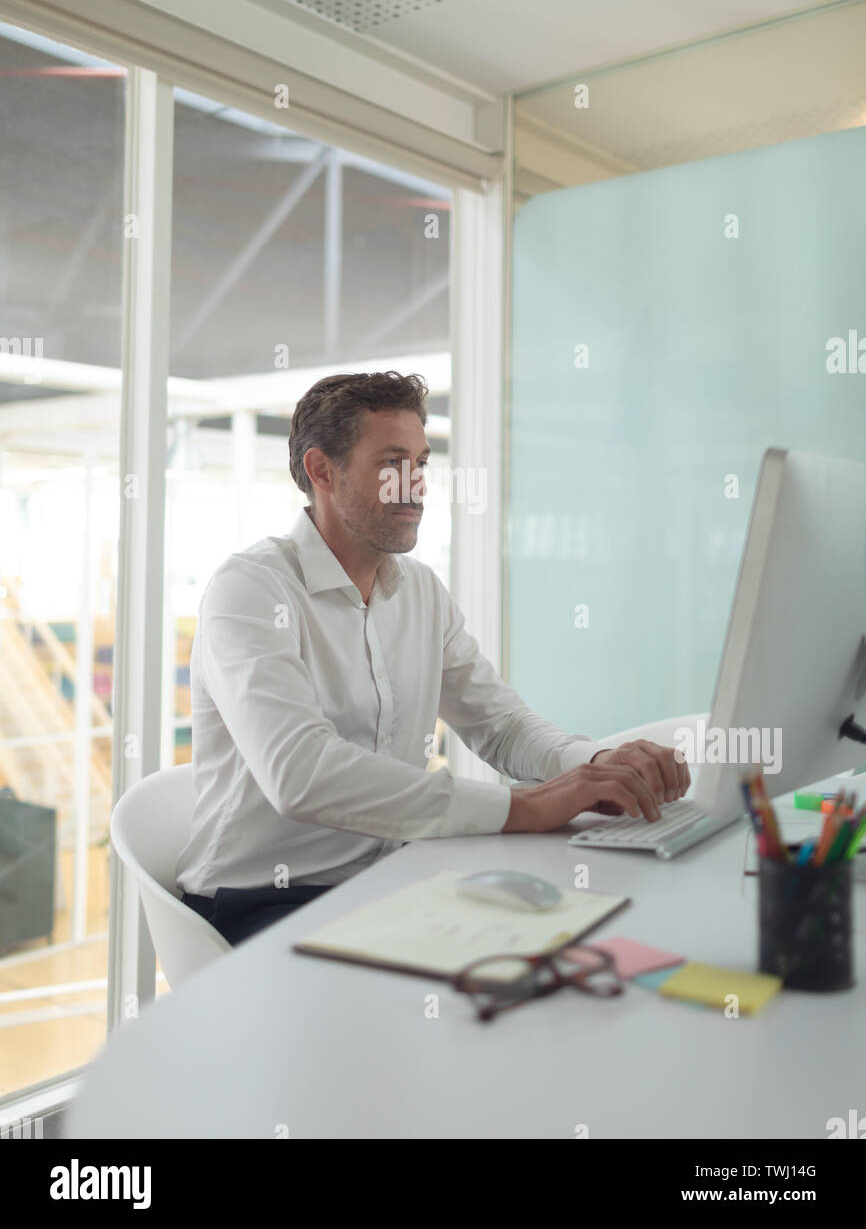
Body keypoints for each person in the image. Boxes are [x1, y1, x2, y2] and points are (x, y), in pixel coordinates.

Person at [177, 370, 688, 945]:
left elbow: (502, 728)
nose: (415, 486)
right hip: (263, 902)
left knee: (572, 944)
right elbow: (302, 774)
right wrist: (521, 807)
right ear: (323, 471)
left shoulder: (419, 592)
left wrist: (599, 764)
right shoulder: (250, 590)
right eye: (392, 464)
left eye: (421, 464)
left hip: (389, 881)